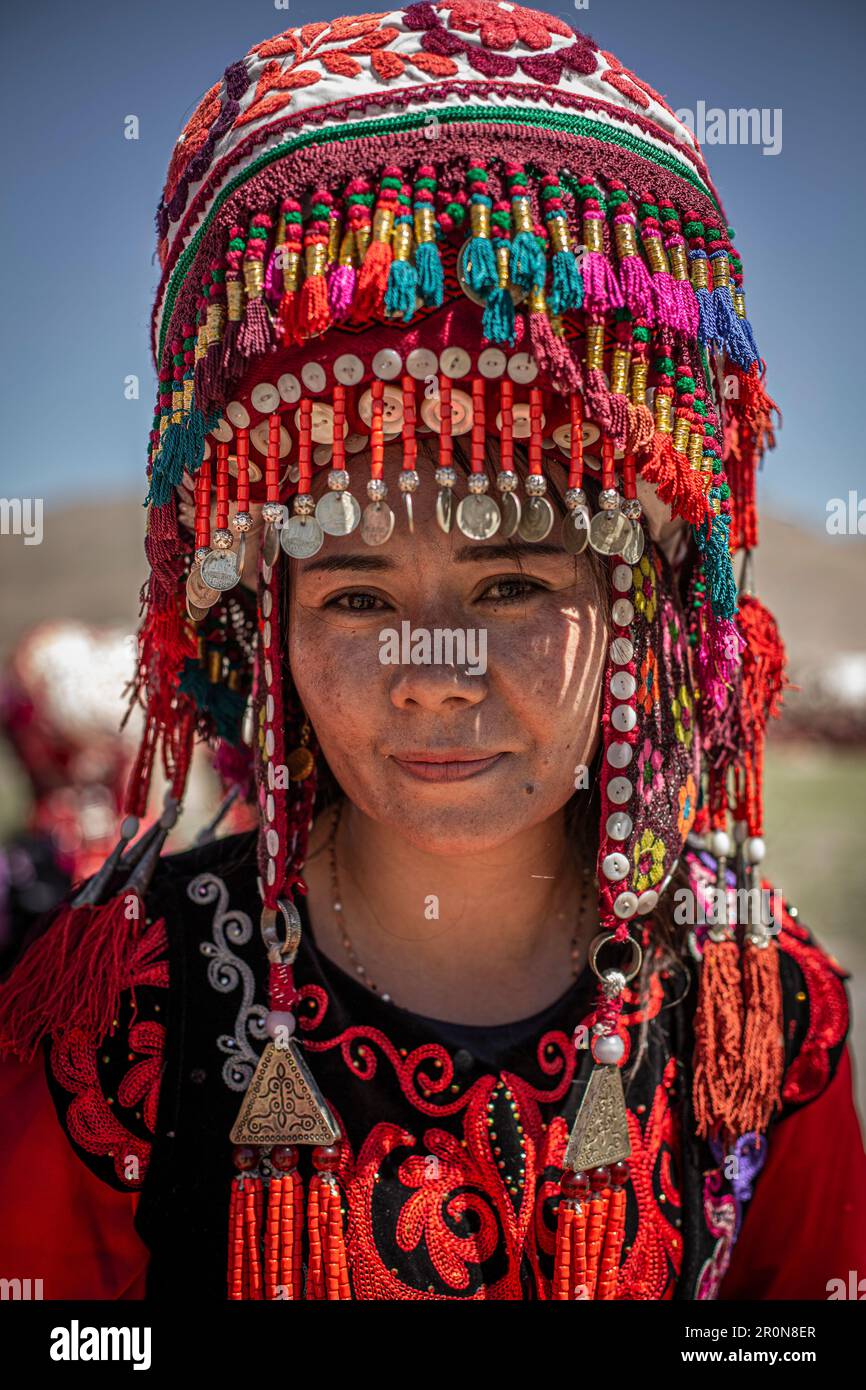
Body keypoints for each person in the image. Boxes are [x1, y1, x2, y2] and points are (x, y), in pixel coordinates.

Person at [1, 1, 864, 1302]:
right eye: (351, 596)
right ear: (262, 623)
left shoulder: (759, 1002)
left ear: (638, 604)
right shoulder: (124, 1006)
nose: (432, 668)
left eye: (511, 579)